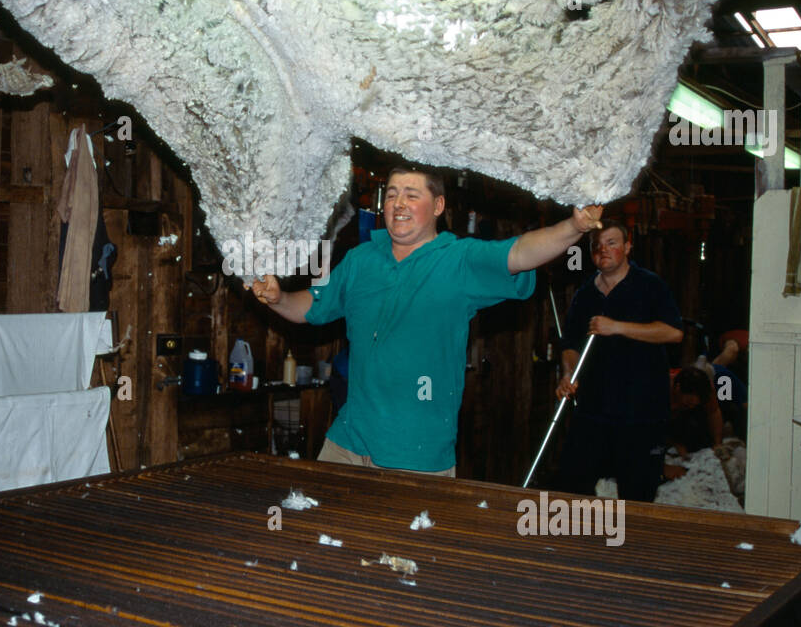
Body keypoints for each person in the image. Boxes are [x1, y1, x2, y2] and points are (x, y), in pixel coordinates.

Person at [250, 166, 602, 476]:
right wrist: (279, 298)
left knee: (405, 551)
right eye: (391, 195)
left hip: (416, 454)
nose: (398, 203)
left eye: (411, 195)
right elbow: (310, 306)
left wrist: (573, 226)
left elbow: (522, 252)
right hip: (346, 443)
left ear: (438, 206)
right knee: (322, 542)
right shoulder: (361, 259)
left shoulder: (459, 260)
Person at [553, 220, 683, 501]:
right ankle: (577, 544)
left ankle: (633, 544)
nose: (603, 250)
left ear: (627, 246)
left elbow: (674, 332)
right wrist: (568, 374)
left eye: (612, 242)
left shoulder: (650, 285)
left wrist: (618, 327)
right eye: (597, 245)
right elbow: (570, 346)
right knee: (573, 485)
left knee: (638, 492)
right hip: (593, 408)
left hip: (642, 411)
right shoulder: (586, 293)